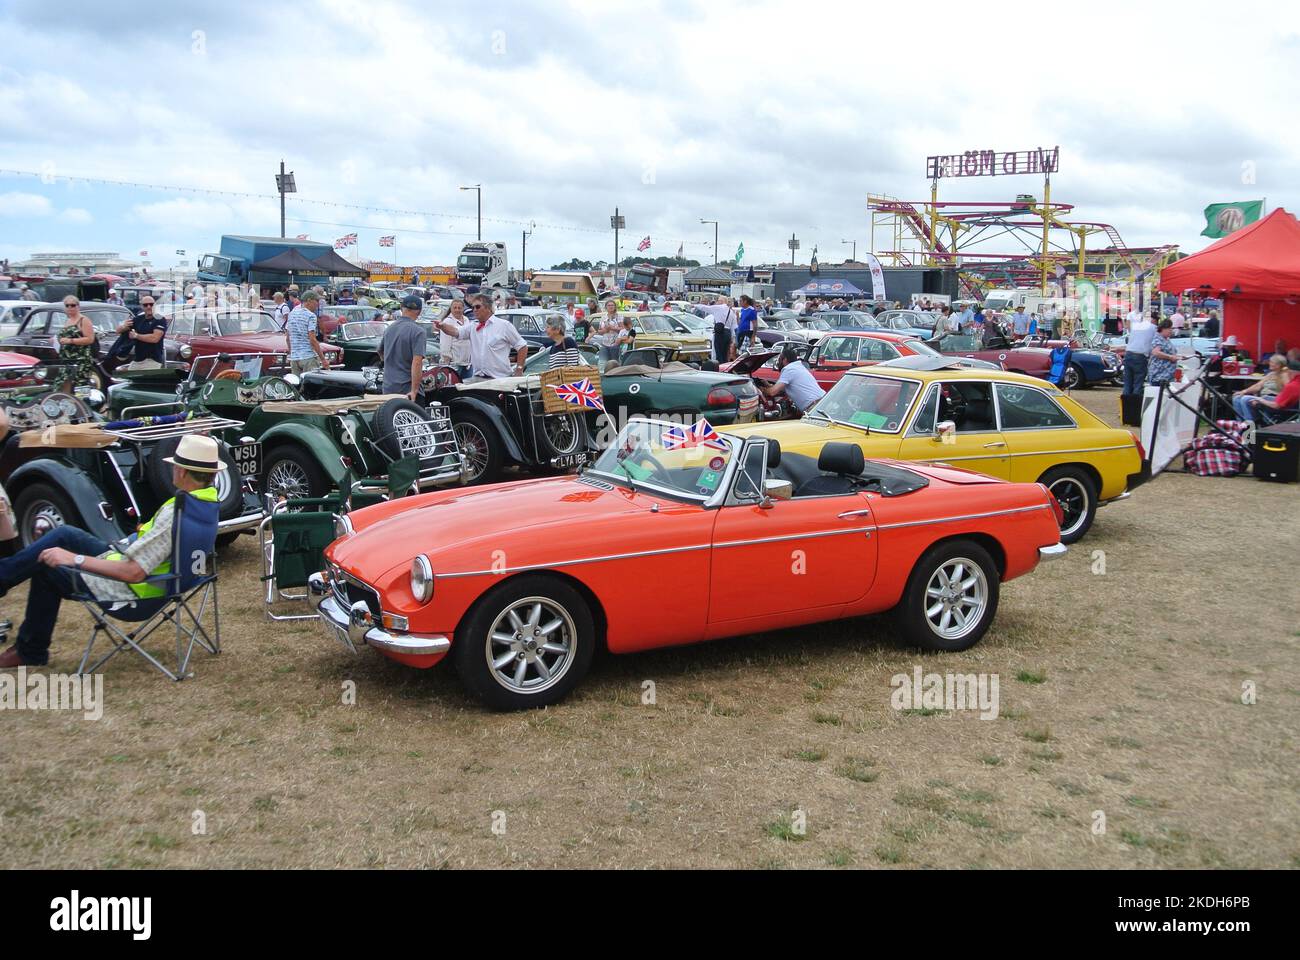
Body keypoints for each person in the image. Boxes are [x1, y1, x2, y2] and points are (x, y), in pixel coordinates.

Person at [0, 434, 225, 669]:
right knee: (64, 534)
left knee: (48, 566)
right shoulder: (206, 502)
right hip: (164, 580)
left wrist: (73, 559)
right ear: (213, 474)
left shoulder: (175, 514)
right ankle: (3, 576)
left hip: (134, 593)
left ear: (182, 472)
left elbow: (133, 573)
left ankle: (30, 651)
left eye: (175, 466)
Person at [435, 294, 527, 379]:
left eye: (478, 307)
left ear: (488, 308)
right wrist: (442, 326)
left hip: (500, 379)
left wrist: (519, 369)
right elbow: (456, 331)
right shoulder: (472, 326)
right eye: (473, 307)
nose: (474, 310)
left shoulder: (504, 326)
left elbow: (522, 346)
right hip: (477, 378)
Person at [379, 295, 429, 401]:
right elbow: (417, 363)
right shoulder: (418, 332)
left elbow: (380, 351)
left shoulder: (389, 329)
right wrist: (414, 391)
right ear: (419, 312)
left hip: (388, 388)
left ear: (402, 308)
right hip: (407, 391)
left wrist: (390, 363)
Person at [105, 295, 167, 371]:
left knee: (144, 381)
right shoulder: (138, 319)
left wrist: (136, 336)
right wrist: (124, 326)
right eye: (145, 305)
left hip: (152, 359)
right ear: (141, 306)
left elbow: (155, 338)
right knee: (129, 379)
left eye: (151, 304)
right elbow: (118, 331)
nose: (149, 307)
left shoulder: (159, 319)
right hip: (138, 359)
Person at [55, 296, 98, 392]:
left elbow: (90, 339)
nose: (70, 308)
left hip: (81, 360)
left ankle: (82, 405)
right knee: (62, 384)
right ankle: (66, 405)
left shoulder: (83, 320)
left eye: (73, 305)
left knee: (80, 387)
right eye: (67, 305)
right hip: (67, 360)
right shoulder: (68, 321)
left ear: (78, 306)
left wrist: (71, 341)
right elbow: (64, 337)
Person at [765, 345, 825, 413]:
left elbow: (772, 392)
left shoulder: (789, 369)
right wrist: (767, 384)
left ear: (785, 360)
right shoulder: (799, 367)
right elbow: (781, 389)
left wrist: (762, 390)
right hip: (823, 400)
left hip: (814, 407)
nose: (778, 362)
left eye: (779, 359)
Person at [286, 291, 330, 376]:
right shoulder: (311, 316)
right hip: (308, 357)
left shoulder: (291, 314)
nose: (317, 304)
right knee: (311, 387)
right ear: (309, 300)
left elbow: (288, 338)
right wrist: (323, 359)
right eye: (316, 301)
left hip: (294, 359)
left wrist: (292, 354)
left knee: (297, 386)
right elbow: (312, 340)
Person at [1232, 354, 1287, 420]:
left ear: (1278, 365)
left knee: (1245, 399)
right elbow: (1258, 386)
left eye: (1272, 362)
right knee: (1237, 398)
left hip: (1274, 399)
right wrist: (1243, 391)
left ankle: (1250, 423)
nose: (1269, 363)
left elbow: (1288, 390)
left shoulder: (1284, 375)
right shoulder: (1271, 374)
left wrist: (1262, 399)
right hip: (1264, 397)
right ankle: (1241, 423)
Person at [1118, 307, 1156, 396]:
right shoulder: (1154, 328)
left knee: (1127, 383)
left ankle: (1126, 406)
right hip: (1140, 356)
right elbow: (1155, 343)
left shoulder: (1135, 327)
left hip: (1129, 354)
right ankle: (1135, 405)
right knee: (1138, 383)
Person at [437, 299, 472, 379]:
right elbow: (445, 343)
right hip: (454, 363)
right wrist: (447, 361)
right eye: (455, 308)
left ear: (463, 308)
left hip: (467, 364)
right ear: (451, 309)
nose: (457, 310)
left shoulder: (466, 319)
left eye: (459, 308)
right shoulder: (448, 321)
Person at [701, 294, 736, 363]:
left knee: (718, 353)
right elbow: (734, 326)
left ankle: (719, 369)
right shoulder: (731, 312)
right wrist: (732, 338)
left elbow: (706, 308)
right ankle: (724, 368)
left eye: (718, 300)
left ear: (722, 301)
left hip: (720, 333)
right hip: (728, 333)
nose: (717, 302)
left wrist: (694, 305)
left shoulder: (719, 308)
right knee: (725, 353)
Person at [1146, 318, 1182, 386]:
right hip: (1159, 376)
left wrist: (1178, 356)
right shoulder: (1158, 339)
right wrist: (1170, 357)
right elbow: (1156, 352)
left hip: (1167, 376)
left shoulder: (1166, 339)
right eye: (1169, 328)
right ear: (1163, 328)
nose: (1171, 330)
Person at [592, 299, 622, 365]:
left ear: (615, 307)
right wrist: (605, 330)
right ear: (606, 307)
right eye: (609, 305)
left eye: (612, 305)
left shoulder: (619, 317)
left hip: (615, 344)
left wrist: (613, 328)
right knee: (603, 362)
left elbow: (623, 329)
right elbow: (599, 331)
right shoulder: (603, 317)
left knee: (614, 363)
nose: (610, 307)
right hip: (604, 343)